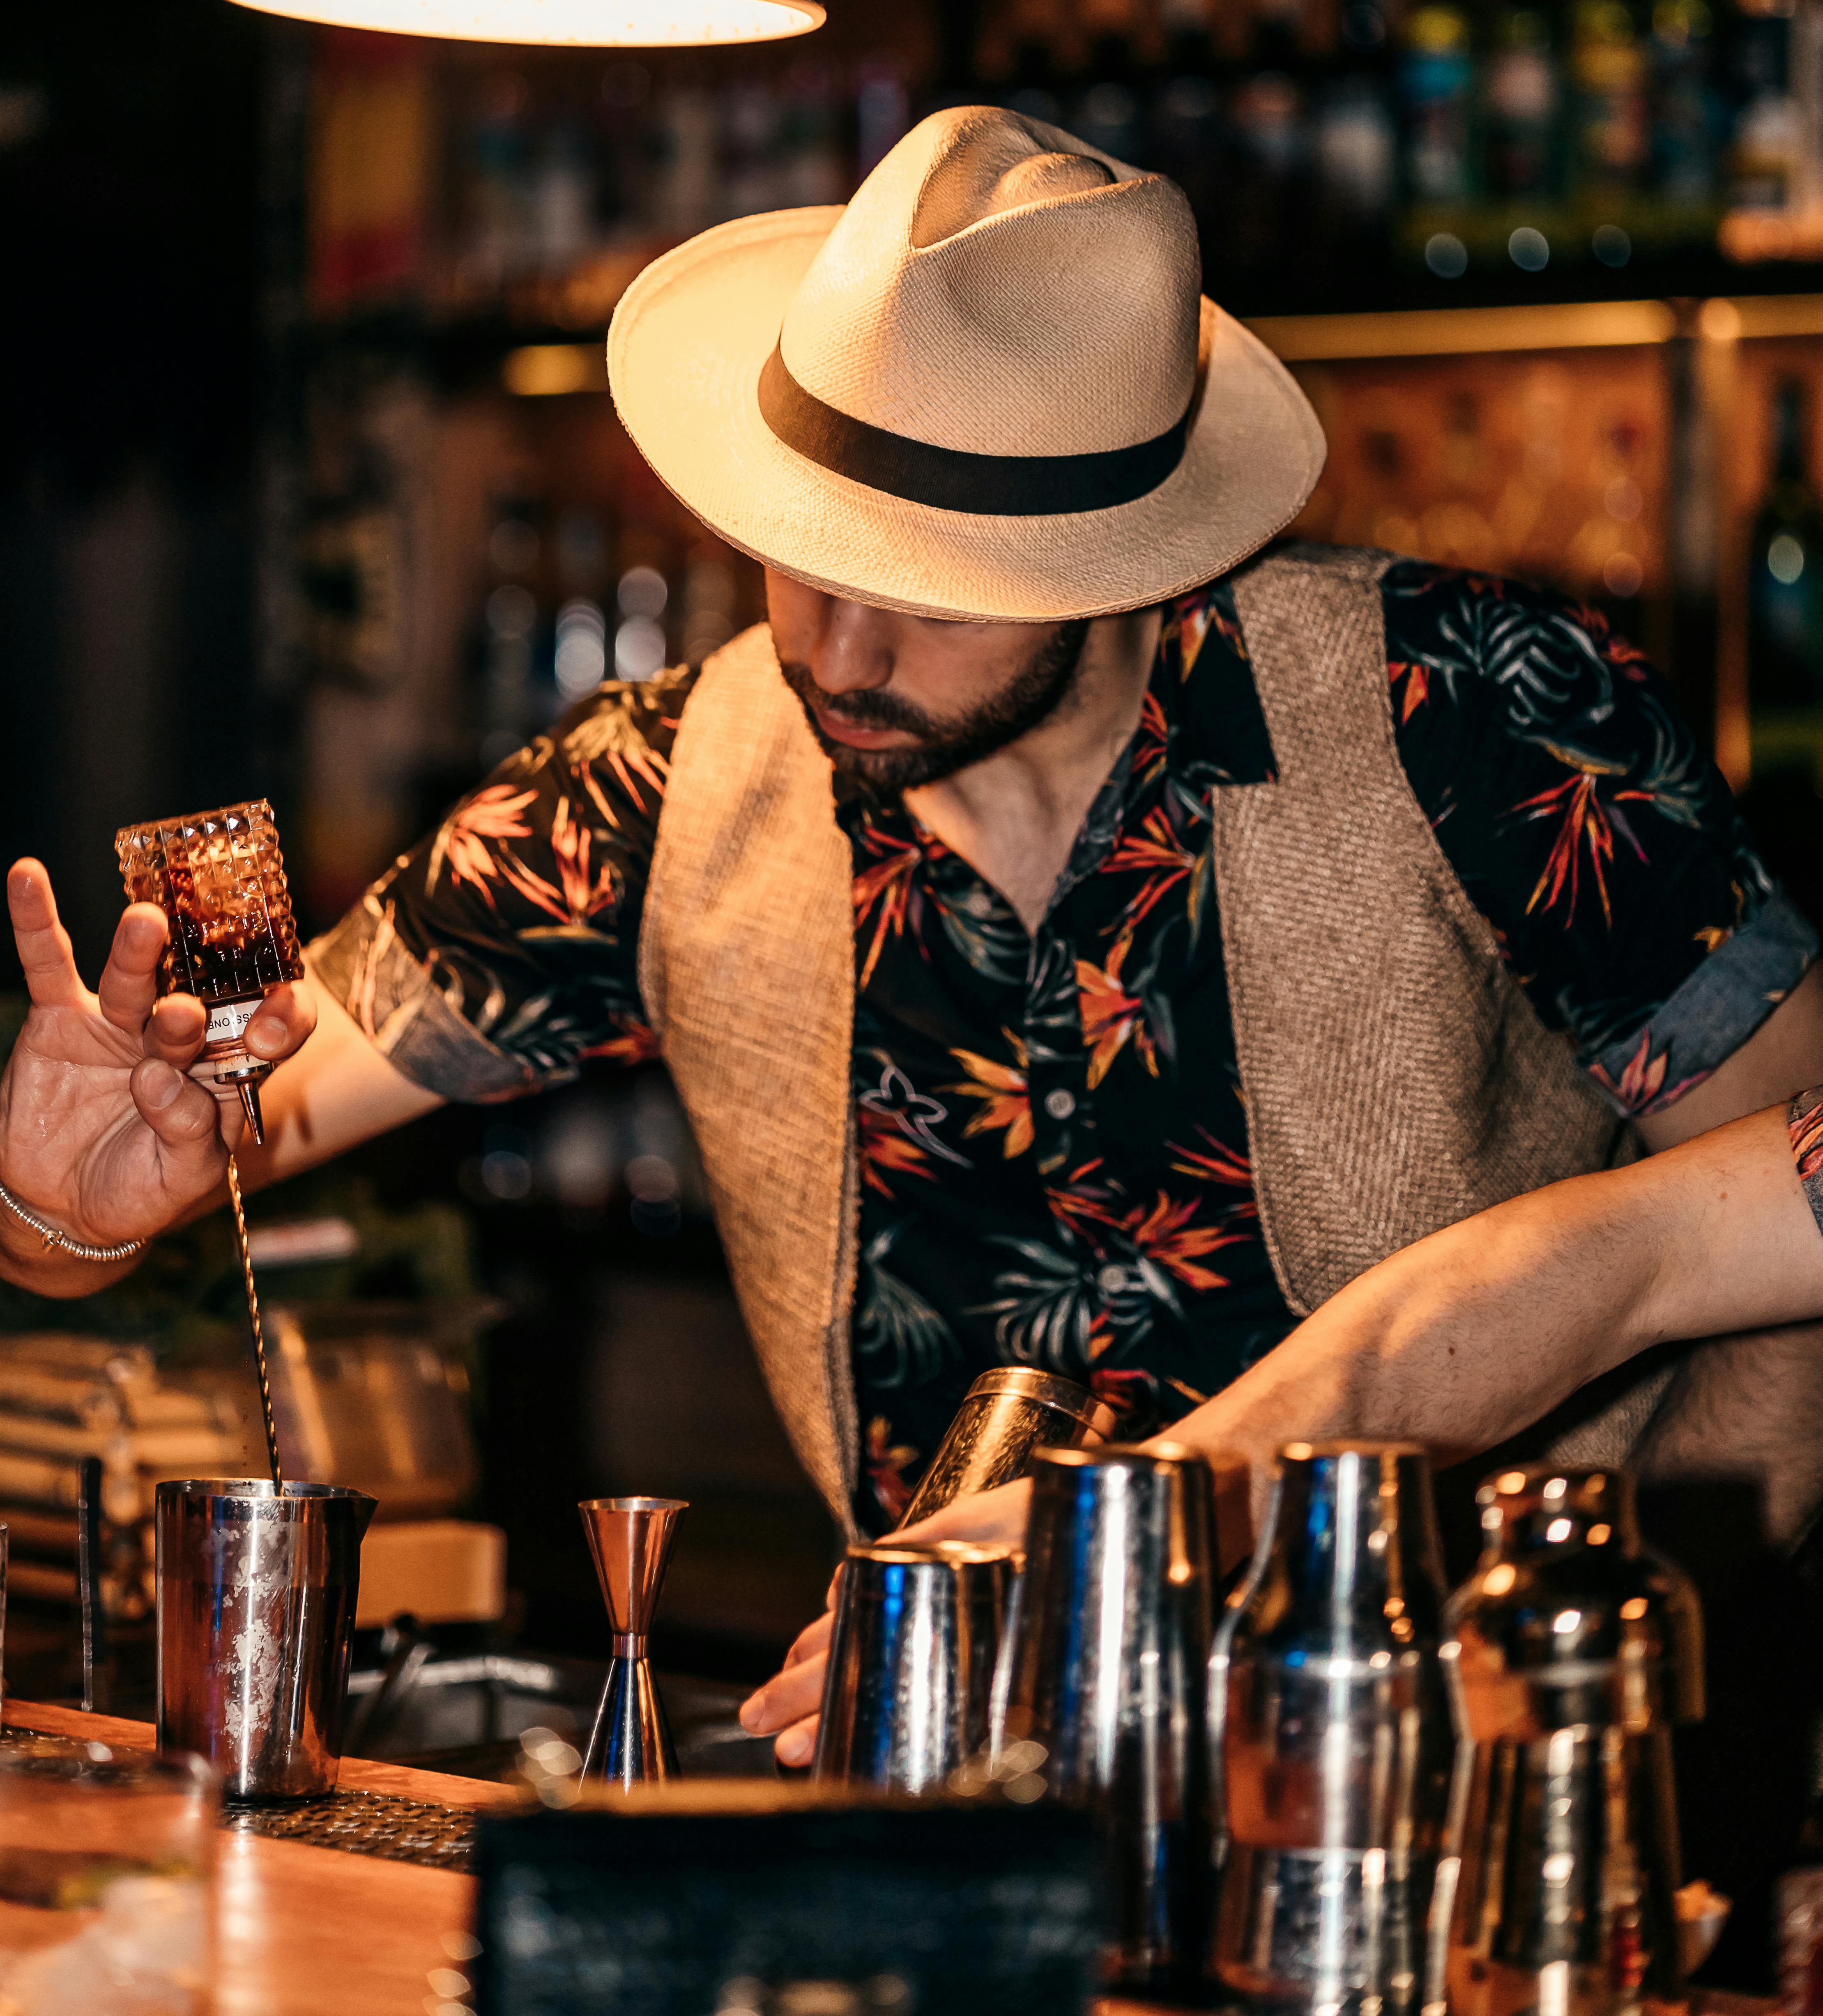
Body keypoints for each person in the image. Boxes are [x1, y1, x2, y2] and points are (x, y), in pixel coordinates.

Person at [4, 107, 1823, 1768]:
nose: (840, 654)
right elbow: (219, 1128)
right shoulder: (660, 787)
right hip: (953, 1790)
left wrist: (1624, 1710)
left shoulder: (1480, 712)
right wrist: (64, 1204)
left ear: (1120, 549)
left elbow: (1782, 1234)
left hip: (1449, 1774)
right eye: (801, 556)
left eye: (934, 598)